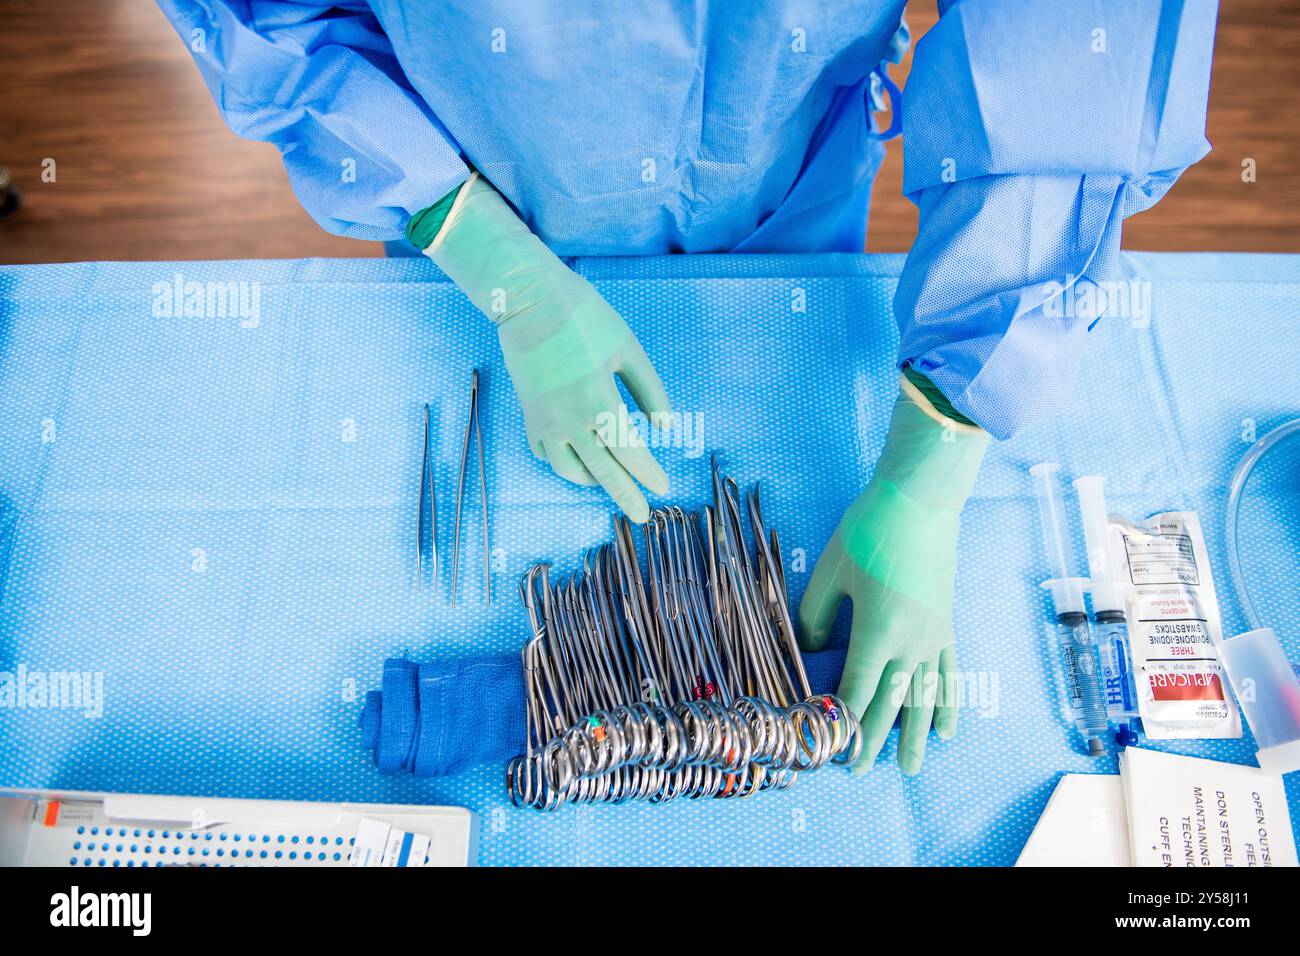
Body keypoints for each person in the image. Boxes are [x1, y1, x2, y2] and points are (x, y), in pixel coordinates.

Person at [158, 0, 1220, 774]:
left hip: (782, 174)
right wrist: (487, 255)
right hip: (467, 169)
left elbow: (1074, 59)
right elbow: (274, 28)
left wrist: (935, 458)